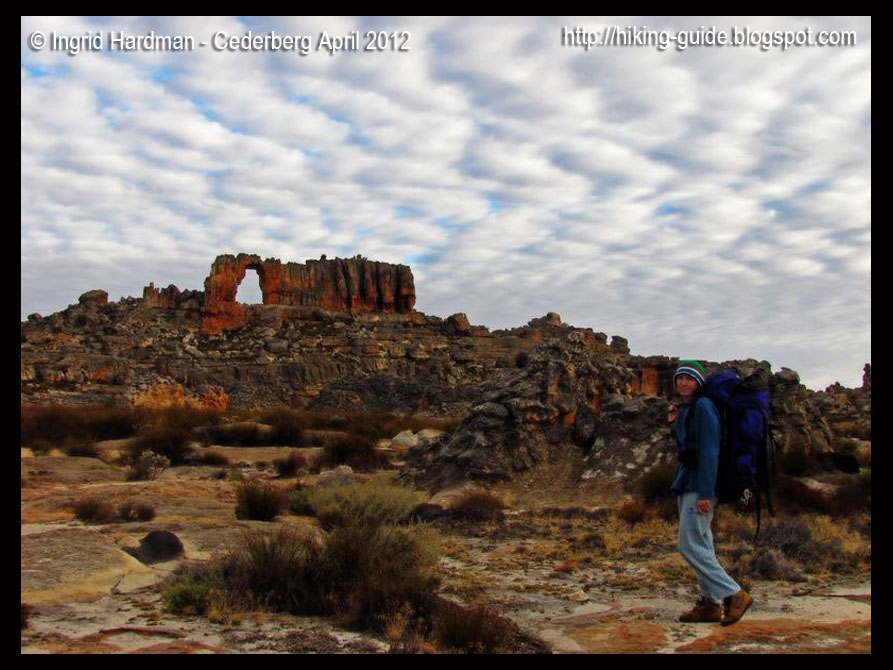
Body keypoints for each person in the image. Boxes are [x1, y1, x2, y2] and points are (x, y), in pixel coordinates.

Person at [668, 360, 753, 626]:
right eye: (680, 378)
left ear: (699, 382)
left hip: (699, 486)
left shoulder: (704, 407)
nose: (683, 383)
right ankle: (711, 605)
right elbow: (687, 447)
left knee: (688, 544)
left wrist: (706, 492)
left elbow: (710, 451)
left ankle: (734, 593)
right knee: (702, 544)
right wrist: (675, 421)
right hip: (687, 483)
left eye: (689, 379)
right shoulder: (690, 408)